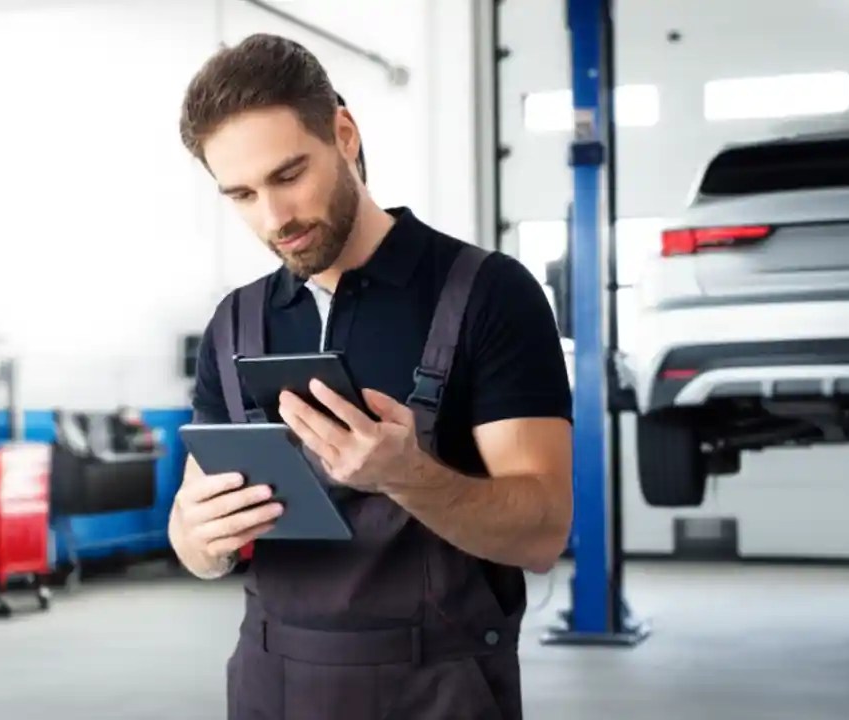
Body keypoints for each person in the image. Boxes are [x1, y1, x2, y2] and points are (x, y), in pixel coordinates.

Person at [167, 33, 574, 720]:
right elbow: (195, 532)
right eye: (241, 194)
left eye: (289, 175)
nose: (274, 218)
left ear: (345, 134)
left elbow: (542, 532)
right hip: (273, 687)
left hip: (437, 691)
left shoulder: (489, 295)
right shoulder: (233, 325)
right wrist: (198, 542)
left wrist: (405, 473)